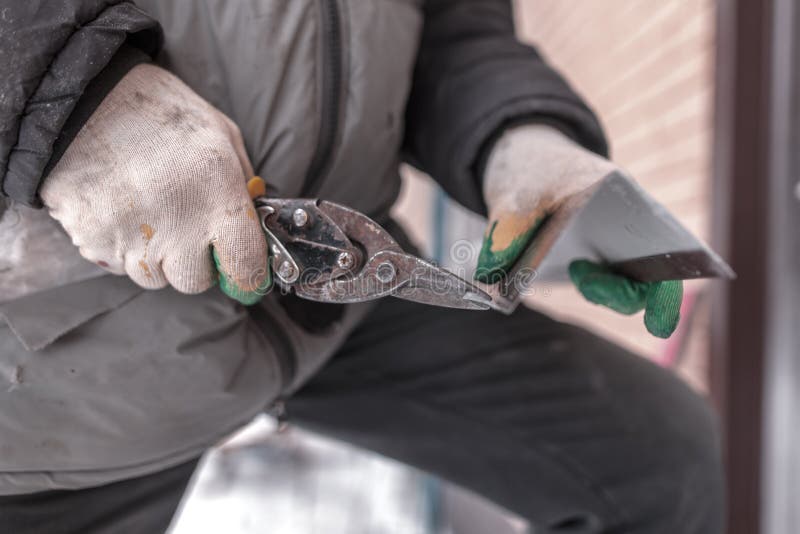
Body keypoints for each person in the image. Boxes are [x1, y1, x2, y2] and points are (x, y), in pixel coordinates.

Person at [0, 1, 723, 532]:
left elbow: (451, 26)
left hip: (339, 286)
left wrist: (515, 134)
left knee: (670, 466)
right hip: (55, 395)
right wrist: (62, 93)